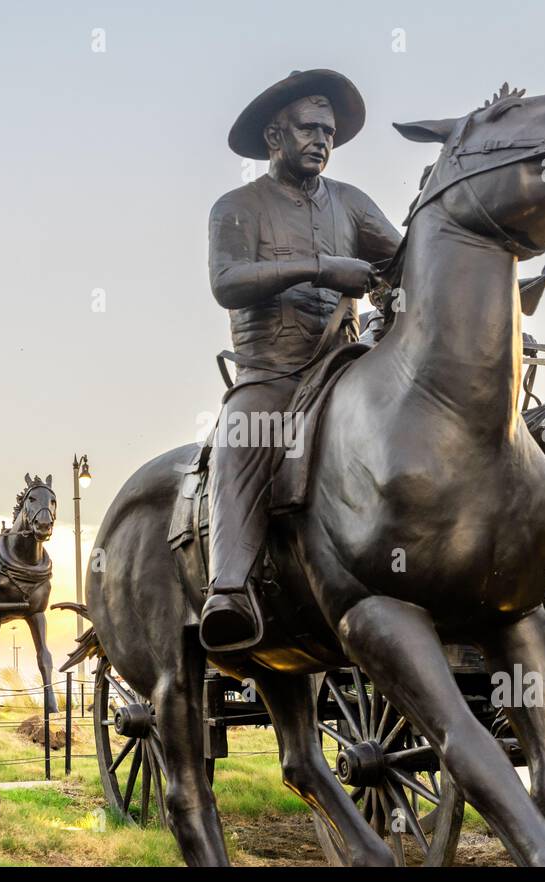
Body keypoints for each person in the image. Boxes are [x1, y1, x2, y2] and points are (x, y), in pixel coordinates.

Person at [200, 69, 401, 651]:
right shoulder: (236, 207)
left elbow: (407, 262)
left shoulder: (353, 204)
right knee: (245, 429)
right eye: (309, 129)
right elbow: (227, 282)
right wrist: (319, 267)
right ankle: (229, 588)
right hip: (274, 374)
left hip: (350, 367)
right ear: (274, 137)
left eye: (329, 133)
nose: (322, 141)